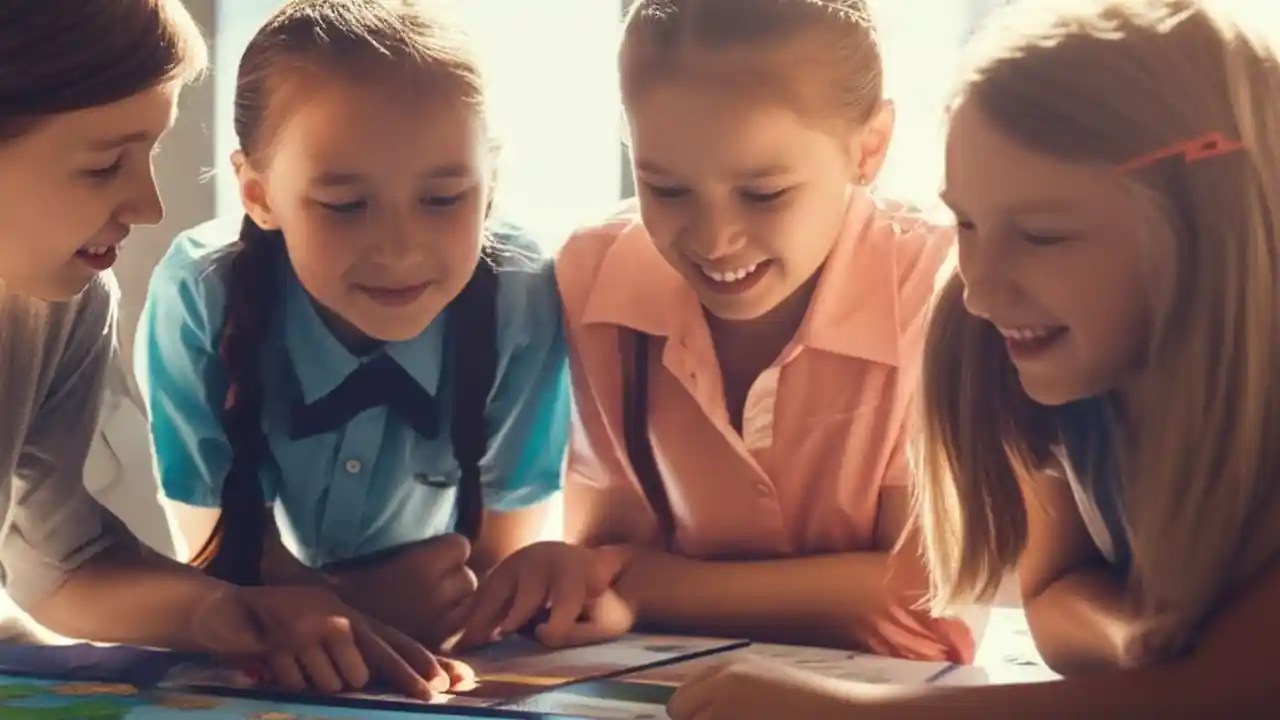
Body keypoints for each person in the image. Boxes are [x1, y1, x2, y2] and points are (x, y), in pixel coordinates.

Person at [668, 1, 1280, 716]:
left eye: (1045, 236)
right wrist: (1138, 636)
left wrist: (845, 712)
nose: (982, 292)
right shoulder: (1061, 374)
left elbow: (1229, 692)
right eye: (966, 222)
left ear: (1206, 228)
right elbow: (1054, 596)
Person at [462, 0, 970, 662]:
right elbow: (604, 572)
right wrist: (620, 585)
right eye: (665, 188)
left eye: (764, 194)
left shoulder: (938, 286)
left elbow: (928, 610)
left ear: (868, 148)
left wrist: (651, 586)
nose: (713, 239)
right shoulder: (599, 277)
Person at [0, 0, 459, 700]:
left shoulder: (59, 305)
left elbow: (60, 560)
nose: (148, 205)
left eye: (148, 153)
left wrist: (234, 614)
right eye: (102, 167)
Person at [137, 0, 569, 655]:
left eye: (443, 199)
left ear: (493, 180)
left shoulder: (520, 298)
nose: (399, 250)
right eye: (345, 205)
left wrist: (354, 606)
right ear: (257, 195)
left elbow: (496, 575)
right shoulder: (200, 297)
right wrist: (363, 604)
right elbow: (218, 558)